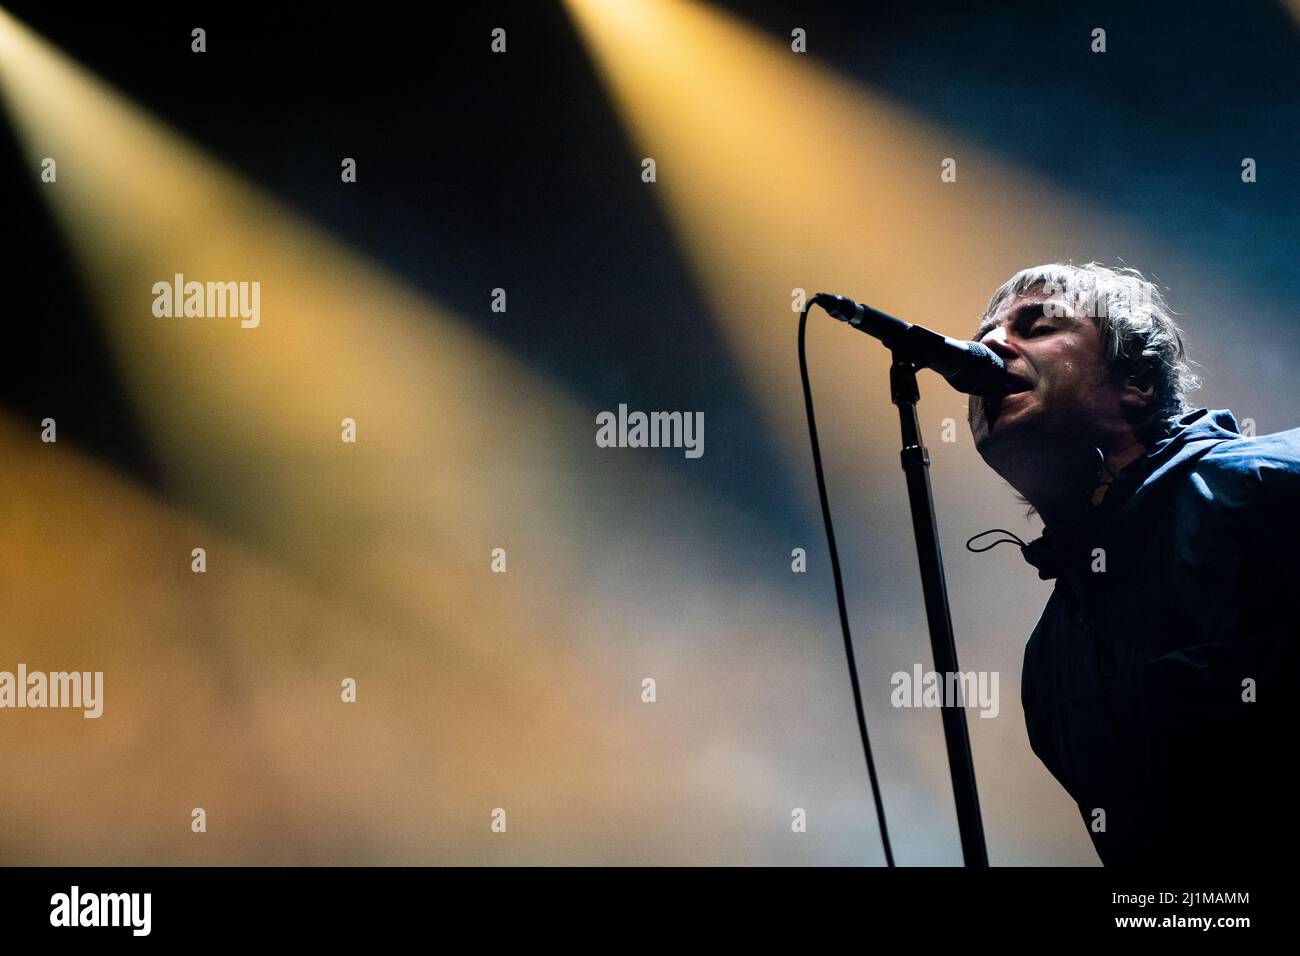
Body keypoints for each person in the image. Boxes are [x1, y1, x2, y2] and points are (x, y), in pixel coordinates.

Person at [966, 262, 1299, 865]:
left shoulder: (1268, 484)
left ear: (1136, 383)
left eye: (1038, 325)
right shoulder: (1047, 665)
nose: (988, 345)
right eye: (986, 331)